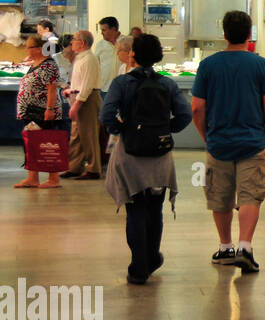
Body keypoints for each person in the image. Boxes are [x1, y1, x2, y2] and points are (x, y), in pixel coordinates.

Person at [191, 10, 265, 273]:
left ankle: (225, 247)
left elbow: (197, 108)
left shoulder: (208, 65)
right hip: (253, 142)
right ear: (250, 34)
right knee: (250, 194)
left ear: (224, 34)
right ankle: (245, 247)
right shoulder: (260, 65)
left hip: (218, 142)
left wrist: (207, 136)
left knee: (219, 196)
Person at [100, 33, 193, 285]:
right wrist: (164, 128)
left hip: (131, 153)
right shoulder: (168, 84)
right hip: (160, 157)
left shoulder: (122, 83)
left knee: (135, 209)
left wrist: (123, 130)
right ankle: (152, 257)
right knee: (155, 208)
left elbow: (106, 114)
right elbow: (185, 115)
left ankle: (138, 267)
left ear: (133, 55)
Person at [14, 35, 65, 189]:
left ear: (39, 49)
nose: (26, 49)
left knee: (48, 144)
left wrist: (49, 110)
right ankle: (32, 177)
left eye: (29, 47)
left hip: (42, 111)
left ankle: (54, 178)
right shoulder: (36, 63)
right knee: (31, 143)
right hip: (31, 111)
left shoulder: (48, 65)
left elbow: (52, 89)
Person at [63, 29, 103, 180]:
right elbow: (79, 81)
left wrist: (76, 105)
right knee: (76, 136)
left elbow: (87, 85)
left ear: (83, 43)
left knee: (88, 134)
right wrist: (70, 90)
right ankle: (74, 167)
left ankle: (94, 169)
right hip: (78, 97)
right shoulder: (79, 58)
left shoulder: (89, 59)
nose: (71, 42)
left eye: (74, 39)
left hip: (86, 100)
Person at [94, 17, 123, 165]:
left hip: (123, 90)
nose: (103, 33)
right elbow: (96, 66)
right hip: (105, 89)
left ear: (114, 29)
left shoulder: (125, 43)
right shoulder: (100, 46)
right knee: (105, 122)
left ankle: (120, 154)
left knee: (121, 121)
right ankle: (106, 155)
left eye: (104, 30)